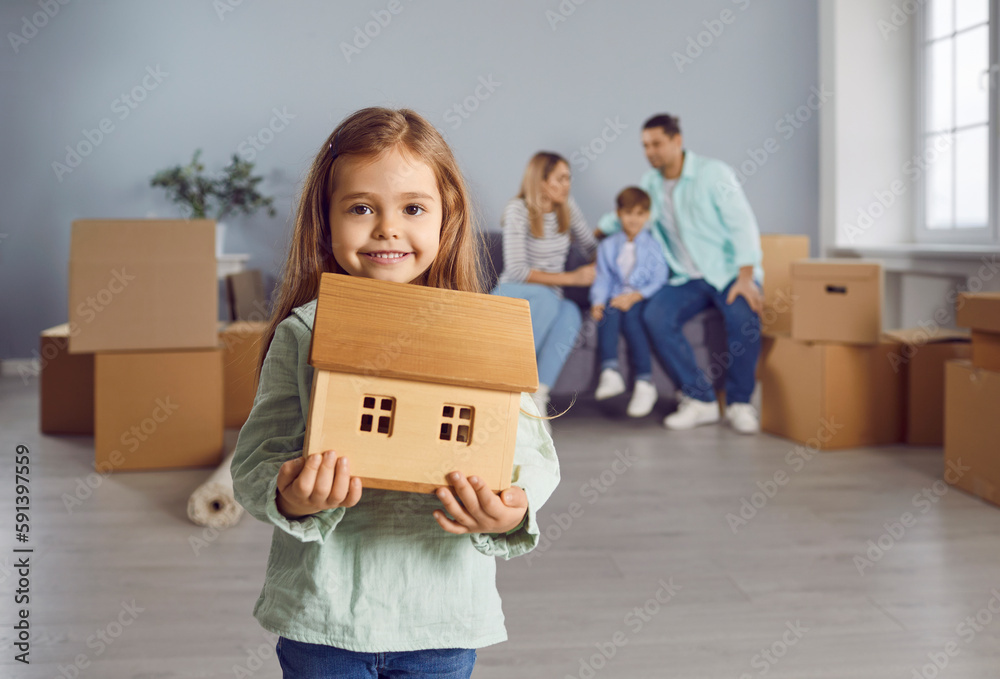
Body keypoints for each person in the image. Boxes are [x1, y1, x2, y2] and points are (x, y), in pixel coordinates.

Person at [230, 107, 560, 679]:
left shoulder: (481, 333)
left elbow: (532, 453)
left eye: (412, 208)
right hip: (325, 619)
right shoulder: (304, 331)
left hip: (442, 619)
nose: (386, 228)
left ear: (445, 218)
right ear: (326, 222)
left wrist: (512, 507)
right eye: (361, 208)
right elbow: (256, 460)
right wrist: (289, 495)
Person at [598, 114, 764, 434]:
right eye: (645, 146)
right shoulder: (650, 184)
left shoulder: (713, 174)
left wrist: (746, 275)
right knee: (655, 315)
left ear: (677, 141)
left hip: (728, 272)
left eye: (657, 144)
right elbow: (629, 216)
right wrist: (599, 230)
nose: (650, 152)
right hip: (685, 278)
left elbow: (742, 224)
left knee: (744, 315)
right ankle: (699, 400)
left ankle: (740, 403)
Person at [492, 152, 598, 426]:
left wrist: (610, 257)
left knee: (571, 311)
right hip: (514, 292)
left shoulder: (566, 206)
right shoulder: (518, 209)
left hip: (550, 297)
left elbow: (590, 246)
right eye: (560, 179)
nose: (567, 185)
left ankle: (538, 395)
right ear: (541, 181)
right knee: (552, 300)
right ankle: (510, 384)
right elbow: (516, 271)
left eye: (568, 179)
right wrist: (573, 279)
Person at [590, 187, 668, 417]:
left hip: (640, 297)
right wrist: (598, 301)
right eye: (628, 213)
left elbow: (659, 277)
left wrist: (634, 296)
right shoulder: (608, 246)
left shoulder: (653, 246)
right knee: (609, 316)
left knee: (634, 320)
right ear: (618, 214)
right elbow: (602, 277)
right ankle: (610, 372)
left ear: (647, 216)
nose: (634, 219)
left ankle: (645, 382)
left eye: (640, 213)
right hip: (616, 296)